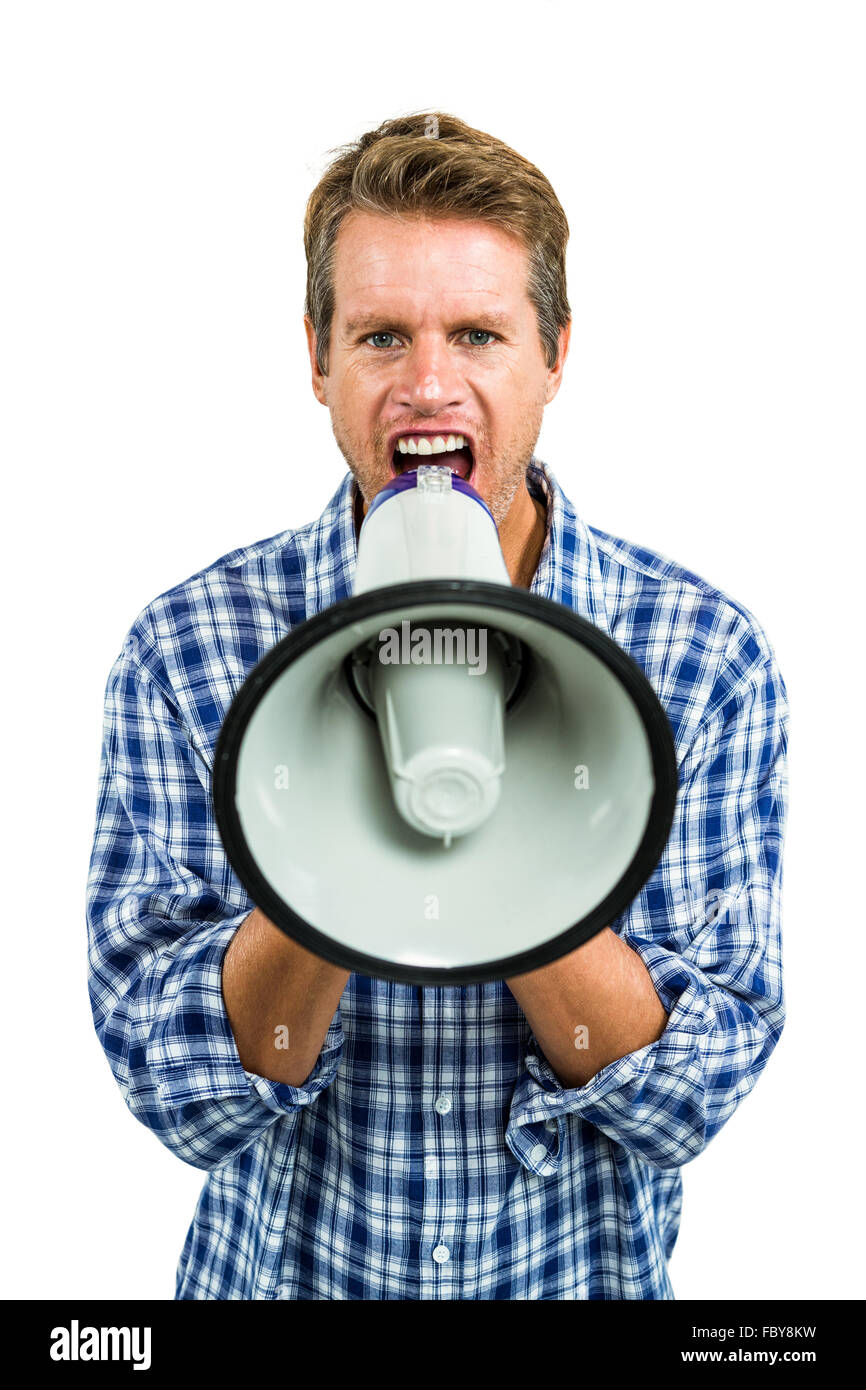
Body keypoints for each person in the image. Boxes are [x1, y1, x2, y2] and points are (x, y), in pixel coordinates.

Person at [86, 112, 788, 1300]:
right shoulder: (187, 649)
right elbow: (180, 1093)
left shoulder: (700, 654)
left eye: (477, 333)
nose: (427, 384)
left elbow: (689, 1097)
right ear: (316, 357)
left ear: (554, 353)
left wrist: (499, 848)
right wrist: (333, 844)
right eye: (379, 336)